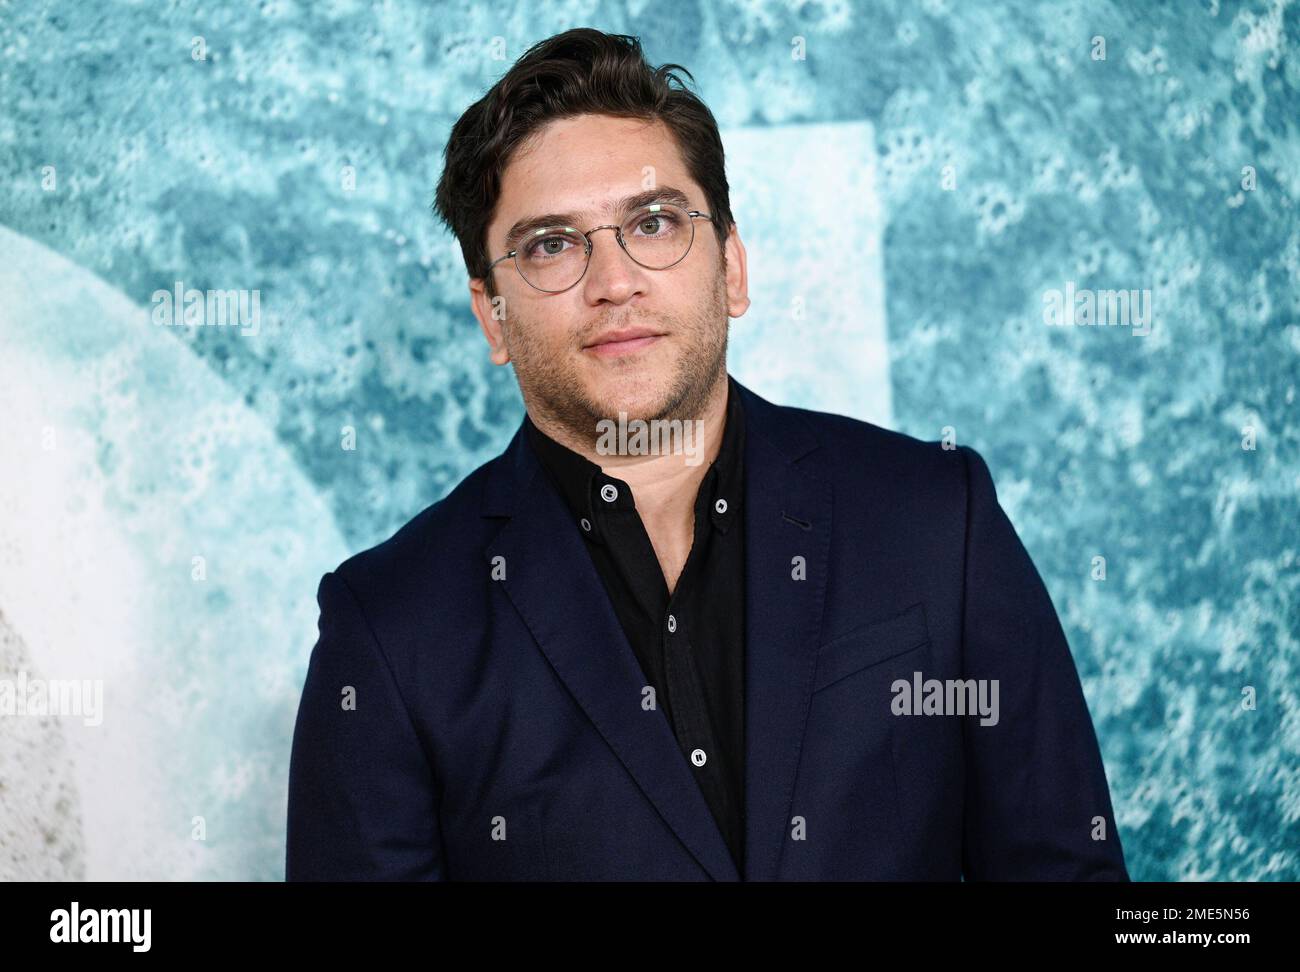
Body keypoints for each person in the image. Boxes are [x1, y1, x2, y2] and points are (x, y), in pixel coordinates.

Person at [285, 27, 1128, 881]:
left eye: (652, 223)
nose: (614, 281)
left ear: (731, 266)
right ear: (492, 314)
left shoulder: (940, 519)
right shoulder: (390, 629)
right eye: (551, 244)